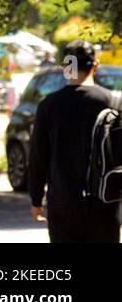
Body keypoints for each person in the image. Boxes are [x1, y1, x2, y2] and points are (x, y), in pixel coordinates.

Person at [28, 40, 121, 242]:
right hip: (105, 203)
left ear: (66, 68)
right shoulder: (114, 102)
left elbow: (38, 157)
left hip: (63, 204)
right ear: (95, 66)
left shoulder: (49, 105)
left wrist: (36, 199)